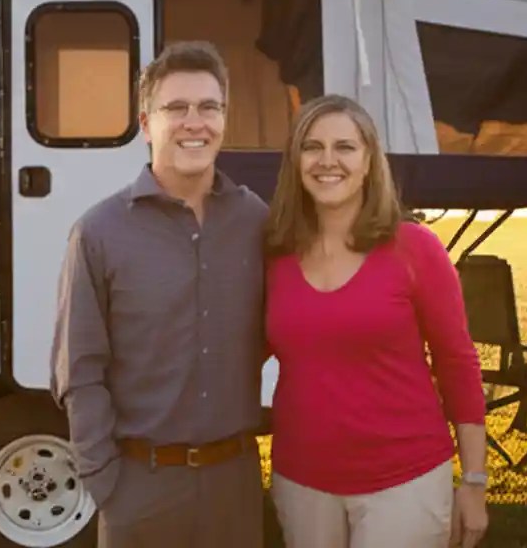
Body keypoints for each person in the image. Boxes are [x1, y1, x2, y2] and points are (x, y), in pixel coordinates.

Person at [50, 41, 269, 547]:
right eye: (177, 108)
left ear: (224, 119)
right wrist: (106, 484)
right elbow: (78, 369)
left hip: (233, 484)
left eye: (209, 107)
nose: (196, 122)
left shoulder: (256, 220)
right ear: (147, 124)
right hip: (138, 488)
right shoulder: (99, 232)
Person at [263, 94, 489, 548]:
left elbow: (458, 364)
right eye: (312, 146)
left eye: (345, 147)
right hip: (302, 482)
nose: (328, 161)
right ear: (296, 161)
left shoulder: (416, 249)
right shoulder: (275, 256)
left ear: (369, 160)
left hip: (404, 483)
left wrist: (476, 481)